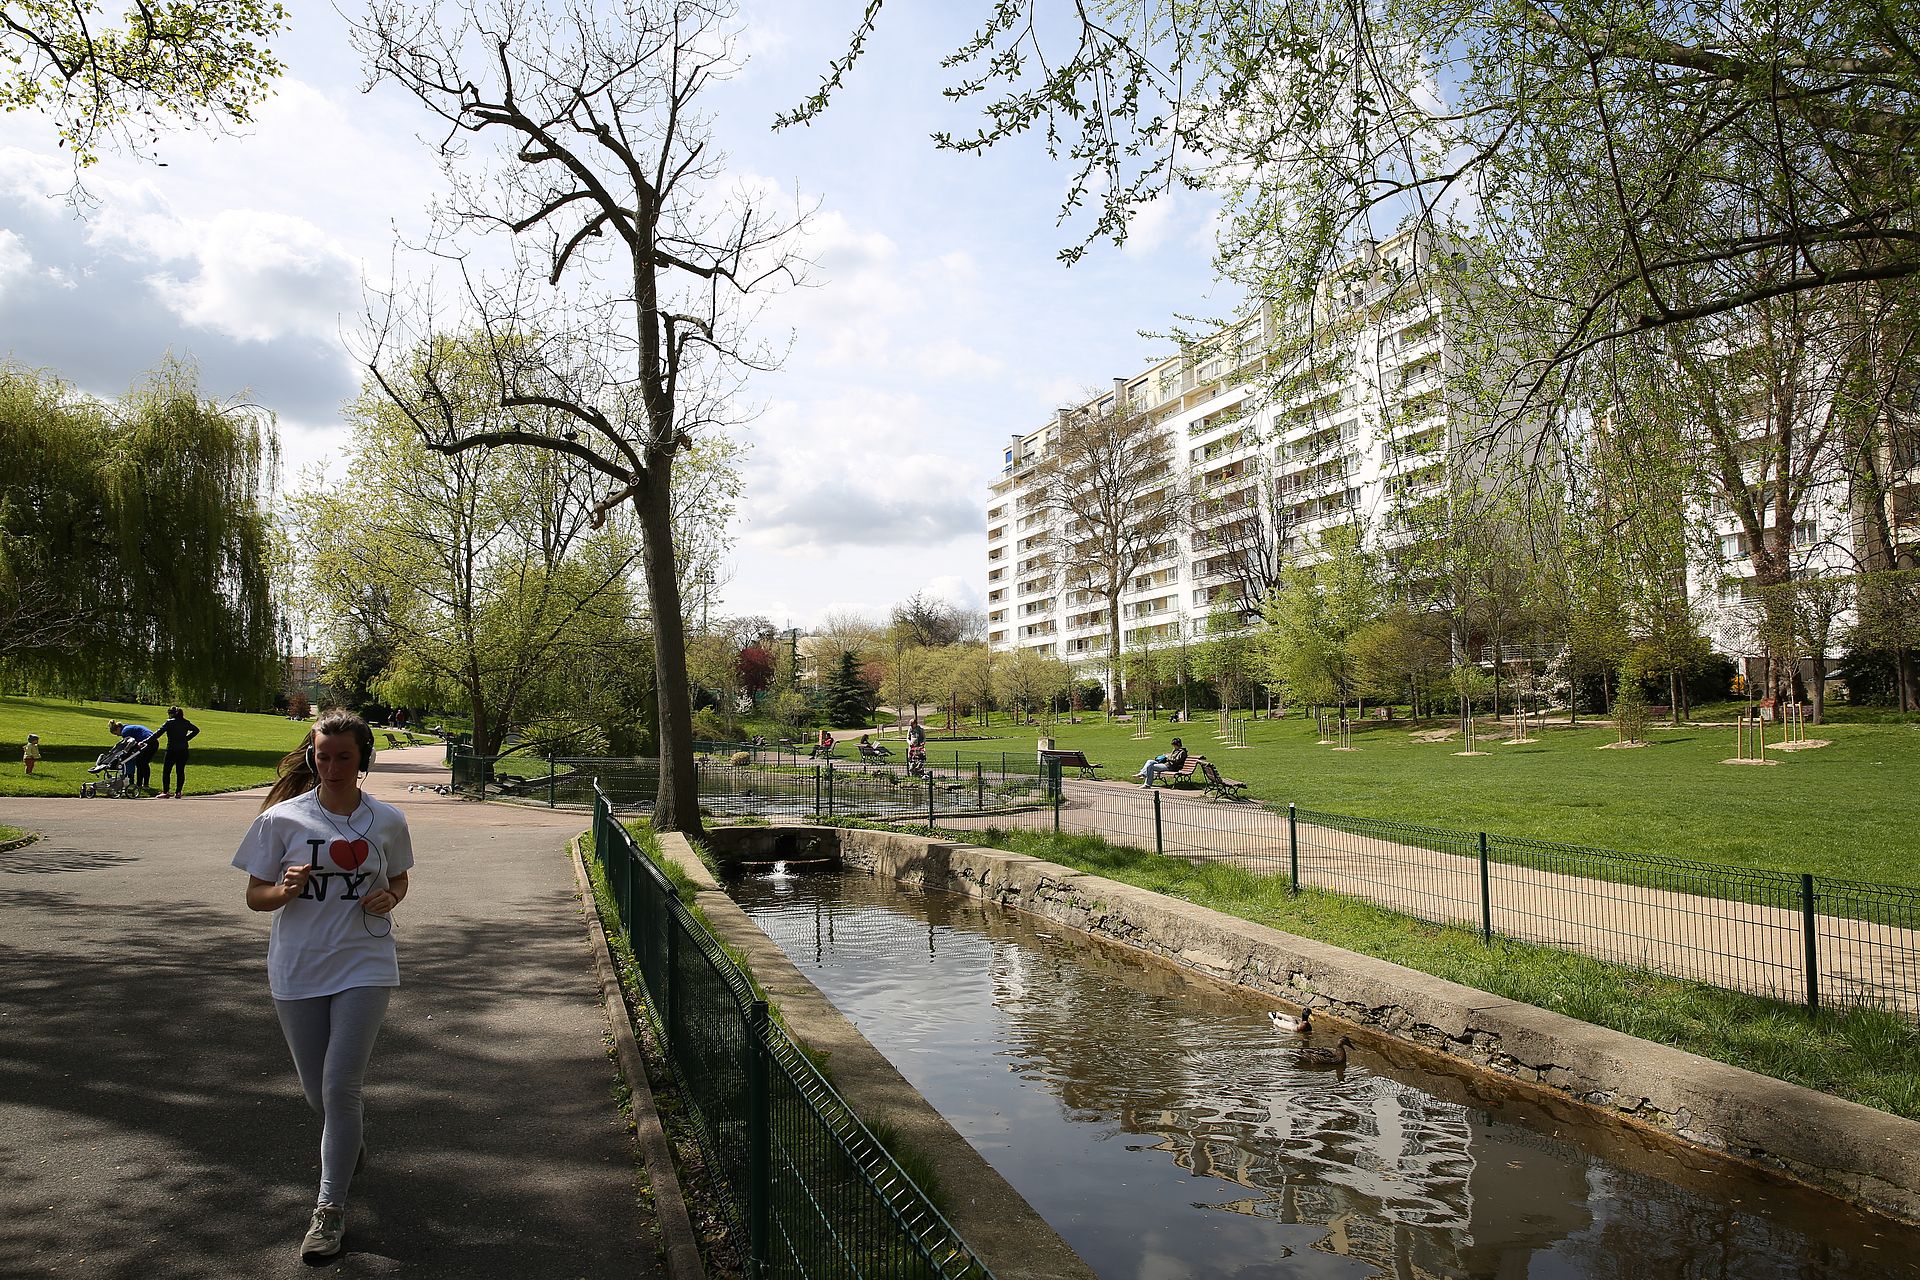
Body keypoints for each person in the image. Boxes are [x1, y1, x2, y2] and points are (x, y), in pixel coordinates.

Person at [232, 710, 412, 1262]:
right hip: (299, 966)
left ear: (363, 761)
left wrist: (391, 897)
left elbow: (399, 877)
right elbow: (254, 895)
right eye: (323, 756)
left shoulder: (387, 820)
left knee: (340, 1088)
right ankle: (348, 1140)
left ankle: (329, 1210)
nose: (331, 766)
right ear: (312, 756)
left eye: (344, 757)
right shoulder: (282, 820)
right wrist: (282, 892)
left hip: (365, 961)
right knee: (320, 1095)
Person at [150, 705, 201, 798]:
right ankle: (178, 792)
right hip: (183, 749)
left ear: (171, 714)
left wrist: (145, 741)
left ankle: (166, 791)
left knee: (167, 771)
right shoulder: (186, 722)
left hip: (171, 749)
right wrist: (186, 739)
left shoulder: (169, 723)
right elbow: (196, 730)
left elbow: (157, 734)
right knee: (180, 771)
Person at [107, 720, 154, 790]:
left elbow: (130, 744)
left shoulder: (125, 732)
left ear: (117, 729)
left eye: (116, 733)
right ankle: (145, 784)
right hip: (153, 742)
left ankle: (139, 785)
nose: (117, 735)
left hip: (147, 743)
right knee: (144, 764)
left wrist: (125, 754)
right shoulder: (127, 727)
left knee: (140, 763)